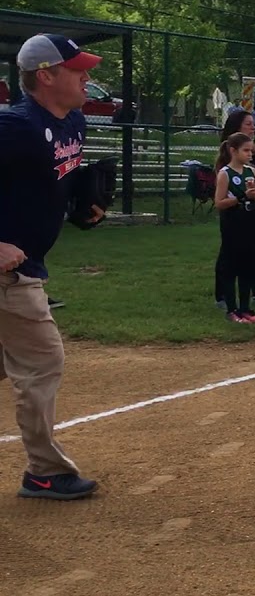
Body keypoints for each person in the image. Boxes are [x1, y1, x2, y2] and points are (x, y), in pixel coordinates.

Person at [0, 33, 105, 499]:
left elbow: (60, 175)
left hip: (30, 264)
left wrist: (83, 204)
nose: (87, 77)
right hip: (9, 273)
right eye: (77, 69)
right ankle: (45, 470)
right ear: (45, 76)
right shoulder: (15, 126)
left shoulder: (72, 122)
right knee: (43, 360)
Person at [215, 132, 255, 326]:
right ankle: (231, 308)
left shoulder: (251, 171)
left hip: (250, 222)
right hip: (232, 223)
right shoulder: (225, 173)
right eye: (245, 150)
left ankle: (245, 307)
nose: (250, 154)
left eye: (251, 151)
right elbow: (219, 202)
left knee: (248, 266)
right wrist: (242, 197)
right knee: (230, 266)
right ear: (233, 151)